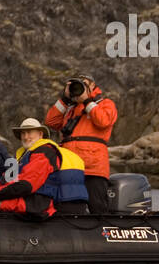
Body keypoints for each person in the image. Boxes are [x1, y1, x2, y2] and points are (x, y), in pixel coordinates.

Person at [0, 118, 86, 220]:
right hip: (38, 202)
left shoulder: (43, 152)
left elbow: (26, 185)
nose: (25, 137)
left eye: (29, 132)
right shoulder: (23, 155)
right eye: (23, 133)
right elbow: (7, 179)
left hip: (40, 205)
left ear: (40, 134)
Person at [45, 72, 117, 214]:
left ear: (92, 85)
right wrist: (65, 98)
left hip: (93, 167)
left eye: (84, 83)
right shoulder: (70, 108)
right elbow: (51, 122)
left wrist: (87, 101)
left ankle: (102, 233)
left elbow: (103, 121)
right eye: (77, 84)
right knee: (69, 205)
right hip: (70, 166)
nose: (80, 86)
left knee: (97, 207)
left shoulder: (105, 104)